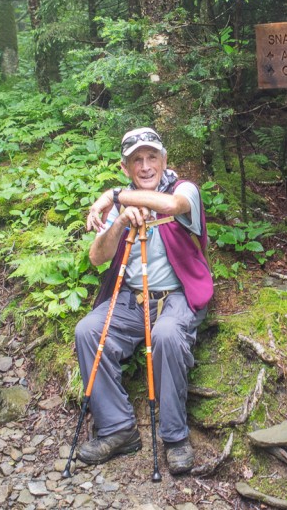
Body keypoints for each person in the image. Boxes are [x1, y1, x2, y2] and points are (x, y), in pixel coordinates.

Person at [76, 127, 213, 475]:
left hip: (177, 295)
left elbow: (171, 206)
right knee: (89, 331)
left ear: (164, 160)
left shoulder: (185, 190)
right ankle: (118, 430)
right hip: (131, 299)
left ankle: (175, 437)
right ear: (126, 167)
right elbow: (97, 256)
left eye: (152, 157)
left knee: (167, 336)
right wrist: (120, 218)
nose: (146, 165)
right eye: (137, 159)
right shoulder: (124, 205)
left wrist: (116, 195)